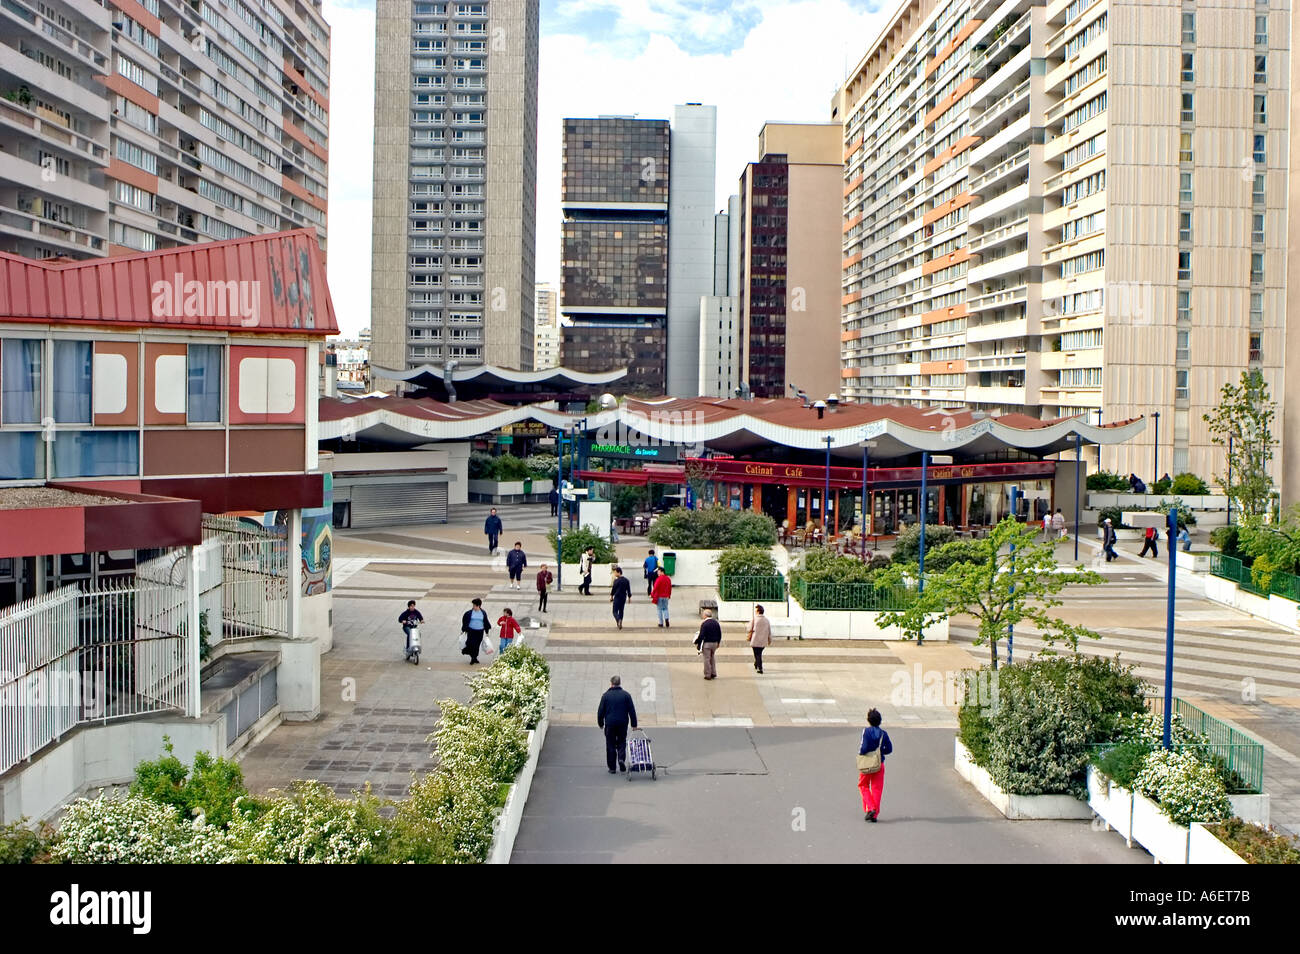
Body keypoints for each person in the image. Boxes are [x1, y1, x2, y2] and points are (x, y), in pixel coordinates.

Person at [858, 708, 894, 823]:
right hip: (879, 764)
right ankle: (874, 814)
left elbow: (863, 748)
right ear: (880, 721)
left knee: (863, 785)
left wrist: (862, 754)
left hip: (867, 764)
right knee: (877, 789)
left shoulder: (866, 732)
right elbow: (889, 749)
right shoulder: (884, 734)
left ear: (869, 720)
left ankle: (870, 808)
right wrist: (880, 751)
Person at [596, 675, 638, 774]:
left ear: (611, 683)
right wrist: (634, 724)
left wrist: (601, 723)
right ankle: (621, 759)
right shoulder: (626, 695)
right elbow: (632, 710)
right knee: (622, 742)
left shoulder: (606, 696)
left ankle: (612, 768)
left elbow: (600, 711)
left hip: (610, 724)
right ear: (619, 683)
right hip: (622, 723)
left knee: (610, 744)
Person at [460, 597, 492, 665]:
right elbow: (465, 621)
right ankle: (471, 655)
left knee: (477, 645)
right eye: (473, 605)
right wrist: (463, 630)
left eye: (474, 605)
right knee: (470, 643)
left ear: (478, 606)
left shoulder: (483, 613)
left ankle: (474, 658)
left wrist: (487, 632)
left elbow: (486, 622)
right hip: (471, 630)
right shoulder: (469, 613)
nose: (473, 607)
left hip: (480, 631)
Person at [694, 607, 722, 680]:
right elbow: (719, 633)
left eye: (703, 614)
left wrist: (697, 642)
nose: (702, 616)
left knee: (706, 659)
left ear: (705, 615)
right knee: (712, 657)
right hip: (715, 643)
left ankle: (707, 674)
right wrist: (718, 642)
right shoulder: (716, 623)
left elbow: (701, 635)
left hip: (707, 644)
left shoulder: (704, 624)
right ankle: (713, 673)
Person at [747, 604, 771, 674]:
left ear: (758, 611)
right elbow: (769, 631)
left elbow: (749, 628)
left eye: (756, 611)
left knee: (757, 654)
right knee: (759, 653)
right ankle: (756, 663)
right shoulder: (766, 620)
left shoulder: (755, 620)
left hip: (755, 640)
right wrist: (769, 639)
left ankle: (760, 668)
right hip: (763, 641)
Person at [609, 565, 631, 630]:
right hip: (623, 597)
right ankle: (620, 621)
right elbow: (628, 589)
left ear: (619, 572)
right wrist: (629, 597)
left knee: (614, 611)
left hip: (617, 597)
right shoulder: (626, 580)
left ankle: (618, 620)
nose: (615, 574)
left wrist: (611, 596)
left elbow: (613, 589)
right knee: (621, 610)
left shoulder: (616, 581)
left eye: (615, 572)